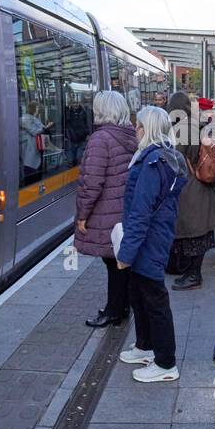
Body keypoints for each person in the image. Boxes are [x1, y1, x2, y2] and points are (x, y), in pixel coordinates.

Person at [116, 106, 188, 383]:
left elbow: (141, 211)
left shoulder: (152, 162)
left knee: (154, 299)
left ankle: (166, 363)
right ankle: (144, 346)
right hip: (153, 237)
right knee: (139, 293)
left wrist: (126, 253)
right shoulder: (164, 157)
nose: (135, 131)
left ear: (148, 129)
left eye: (138, 126)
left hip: (148, 240)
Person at [75, 91, 140, 327]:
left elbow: (92, 182)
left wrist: (83, 215)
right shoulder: (130, 134)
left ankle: (114, 311)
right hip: (124, 209)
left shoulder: (100, 139)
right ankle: (121, 306)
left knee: (112, 262)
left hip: (106, 212)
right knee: (119, 261)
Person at [166, 91, 215, 290]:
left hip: (190, 188)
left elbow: (176, 158)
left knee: (192, 233)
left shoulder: (182, 128)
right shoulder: (196, 123)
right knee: (199, 232)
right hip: (200, 184)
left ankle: (193, 274)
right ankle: (190, 272)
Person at [19, 101, 52, 183]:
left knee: (36, 169)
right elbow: (34, 131)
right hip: (29, 148)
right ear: (33, 109)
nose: (39, 111)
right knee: (30, 169)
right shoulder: (25, 118)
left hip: (37, 148)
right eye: (38, 108)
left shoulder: (35, 118)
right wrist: (46, 127)